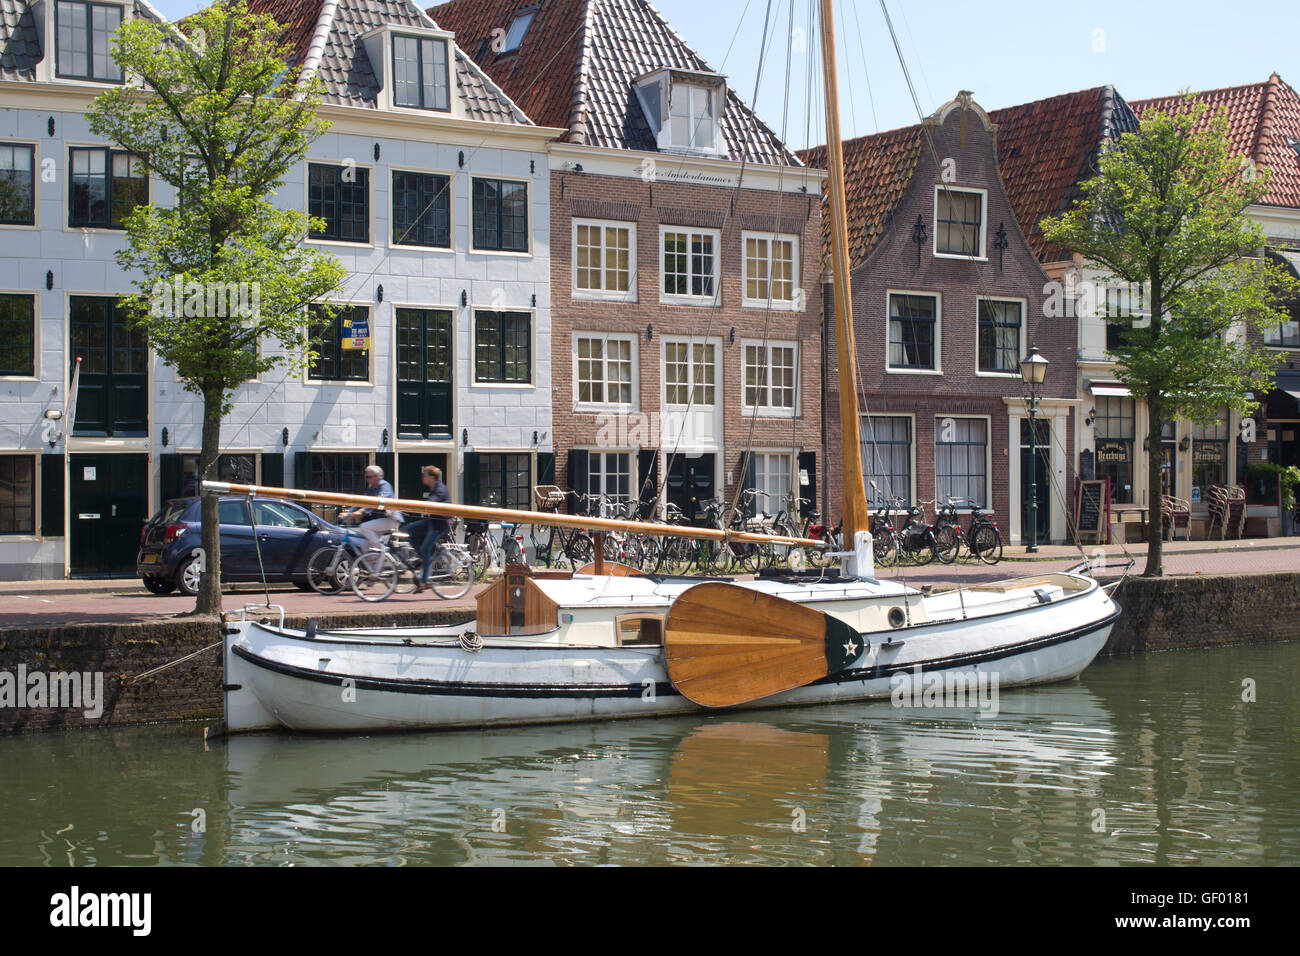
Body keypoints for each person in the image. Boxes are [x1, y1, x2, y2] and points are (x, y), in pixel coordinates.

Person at [407, 465, 451, 593]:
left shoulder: (440, 489)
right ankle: (423, 557)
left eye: (424, 475)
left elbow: (432, 502)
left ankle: (424, 581)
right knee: (408, 530)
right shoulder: (433, 488)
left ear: (432, 477)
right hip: (431, 522)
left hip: (439, 525)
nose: (422, 478)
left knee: (426, 549)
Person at [340, 465, 403, 551]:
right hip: (380, 519)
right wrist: (349, 512)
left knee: (364, 527)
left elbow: (378, 501)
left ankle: (384, 551)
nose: (367, 479)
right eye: (366, 477)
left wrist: (362, 511)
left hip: (390, 519)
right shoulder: (371, 488)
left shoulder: (384, 485)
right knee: (365, 546)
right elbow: (363, 501)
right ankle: (380, 563)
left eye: (369, 477)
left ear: (377, 477)